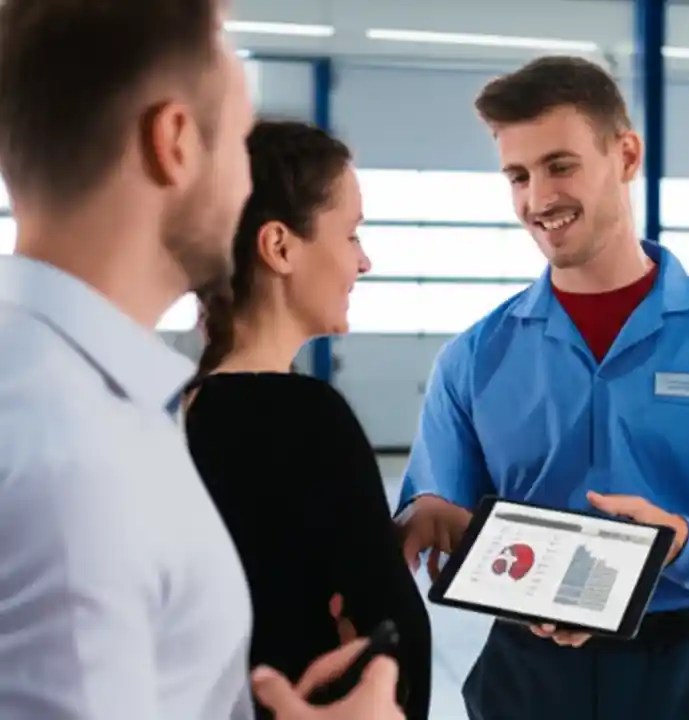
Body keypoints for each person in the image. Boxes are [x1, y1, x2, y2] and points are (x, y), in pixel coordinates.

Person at [0, 2, 402, 718]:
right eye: (238, 143)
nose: (247, 187)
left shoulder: (100, 395)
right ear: (176, 142)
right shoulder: (71, 456)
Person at [395, 55, 689, 719]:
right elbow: (436, 523)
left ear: (625, 155)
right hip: (525, 678)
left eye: (560, 165)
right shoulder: (473, 359)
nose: (538, 199)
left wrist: (680, 540)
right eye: (518, 176)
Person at [183, 119, 433, 720]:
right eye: (350, 235)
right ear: (280, 247)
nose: (363, 261)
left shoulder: (185, 406)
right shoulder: (304, 417)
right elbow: (392, 643)